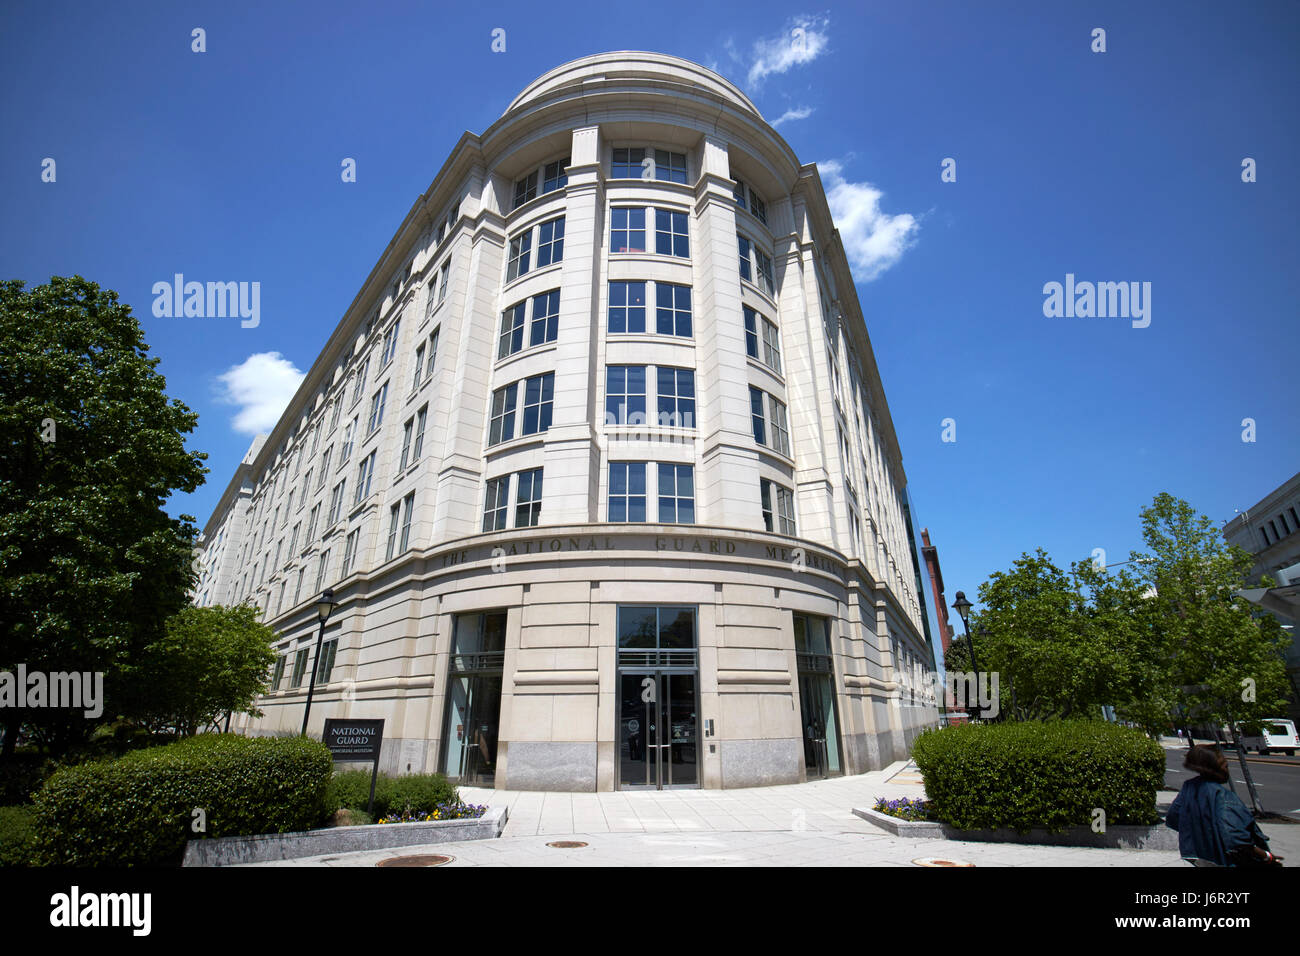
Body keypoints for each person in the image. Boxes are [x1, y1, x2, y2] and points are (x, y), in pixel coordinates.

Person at [1166, 745, 1282, 866]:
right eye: (1225, 765)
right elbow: (1238, 841)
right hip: (1224, 861)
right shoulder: (1223, 797)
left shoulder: (1188, 787)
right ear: (1213, 769)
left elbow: (1173, 818)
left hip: (1199, 857)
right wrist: (1267, 857)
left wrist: (1201, 833)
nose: (1227, 769)